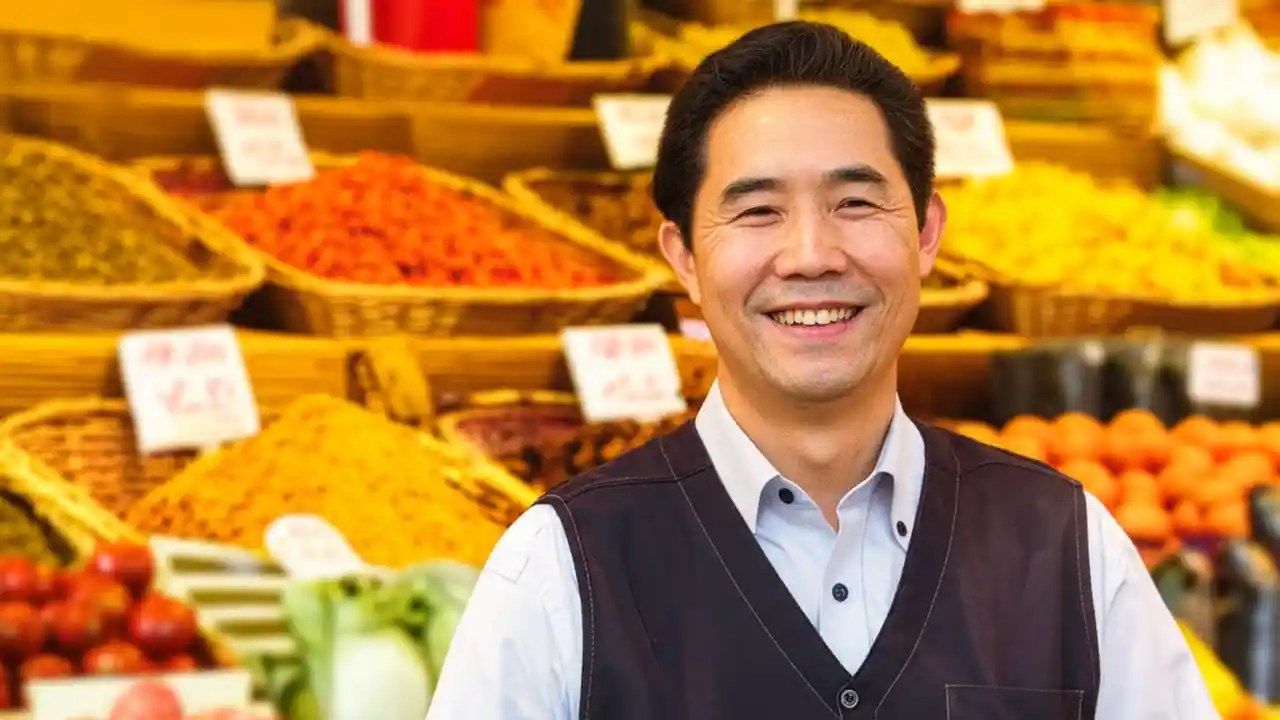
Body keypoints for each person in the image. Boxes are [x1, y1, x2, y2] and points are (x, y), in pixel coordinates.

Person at [428, 21, 1219, 720]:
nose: (810, 256)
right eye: (757, 211)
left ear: (927, 234)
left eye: (856, 203)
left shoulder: (1066, 547)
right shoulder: (564, 568)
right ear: (685, 260)